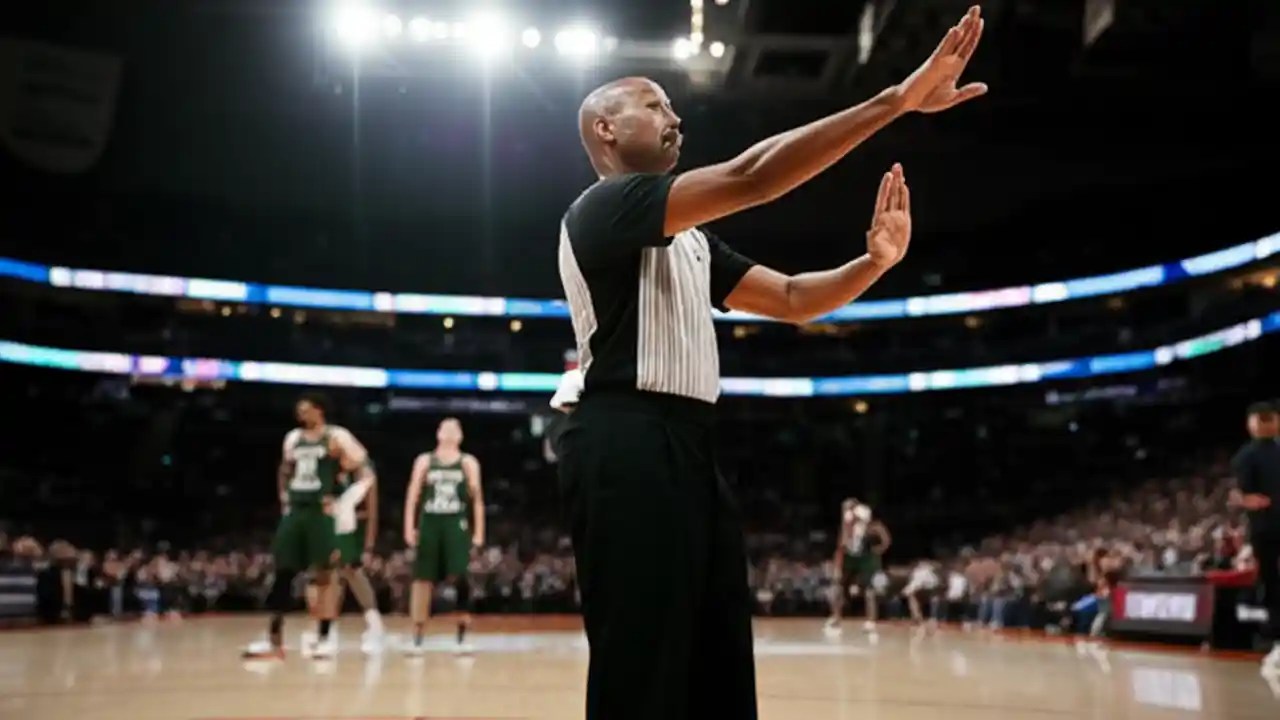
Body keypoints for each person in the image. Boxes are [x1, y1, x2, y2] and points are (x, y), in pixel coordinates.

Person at [556, 5, 985, 713]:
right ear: (606, 127)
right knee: (642, 666)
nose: (676, 118)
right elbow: (755, 177)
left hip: (690, 444)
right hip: (625, 438)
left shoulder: (688, 239)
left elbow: (789, 297)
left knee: (717, 661)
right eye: (654, 104)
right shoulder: (602, 209)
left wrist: (872, 264)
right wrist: (895, 101)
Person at [243, 393, 371, 660]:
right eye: (299, 410)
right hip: (296, 511)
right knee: (283, 572)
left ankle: (324, 638)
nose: (301, 414)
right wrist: (284, 499)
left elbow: (361, 463)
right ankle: (274, 640)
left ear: (320, 411)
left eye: (306, 410)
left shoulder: (337, 436)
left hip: (321, 512)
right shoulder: (292, 437)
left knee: (325, 575)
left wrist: (340, 491)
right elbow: (284, 469)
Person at [403, 418, 485, 656]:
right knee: (422, 579)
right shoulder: (425, 461)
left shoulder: (468, 462)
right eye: (445, 428)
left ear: (461, 436)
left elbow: (477, 499)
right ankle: (417, 636)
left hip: (455, 523)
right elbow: (413, 496)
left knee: (460, 578)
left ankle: (461, 636)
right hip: (430, 523)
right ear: (437, 433)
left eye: (455, 429)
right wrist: (409, 527)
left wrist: (479, 532)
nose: (450, 432)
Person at [1229, 401, 1280, 675]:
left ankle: (1278, 643)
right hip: (1267, 530)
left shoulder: (1244, 457)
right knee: (1271, 584)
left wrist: (1244, 500)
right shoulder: (1246, 456)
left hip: (1267, 530)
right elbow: (1247, 497)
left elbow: (1246, 497)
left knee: (1272, 584)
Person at [330, 463, 386, 654]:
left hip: (351, 530)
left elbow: (372, 513)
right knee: (329, 574)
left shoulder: (365, 471)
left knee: (352, 572)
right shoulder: (329, 466)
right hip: (330, 524)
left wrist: (368, 545)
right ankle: (327, 627)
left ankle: (374, 623)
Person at [826, 499, 892, 635]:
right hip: (850, 556)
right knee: (839, 587)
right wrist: (837, 566)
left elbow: (886, 539)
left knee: (869, 590)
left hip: (867, 557)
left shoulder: (871, 524)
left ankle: (870, 621)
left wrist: (878, 550)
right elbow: (841, 546)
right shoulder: (846, 523)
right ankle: (836, 618)